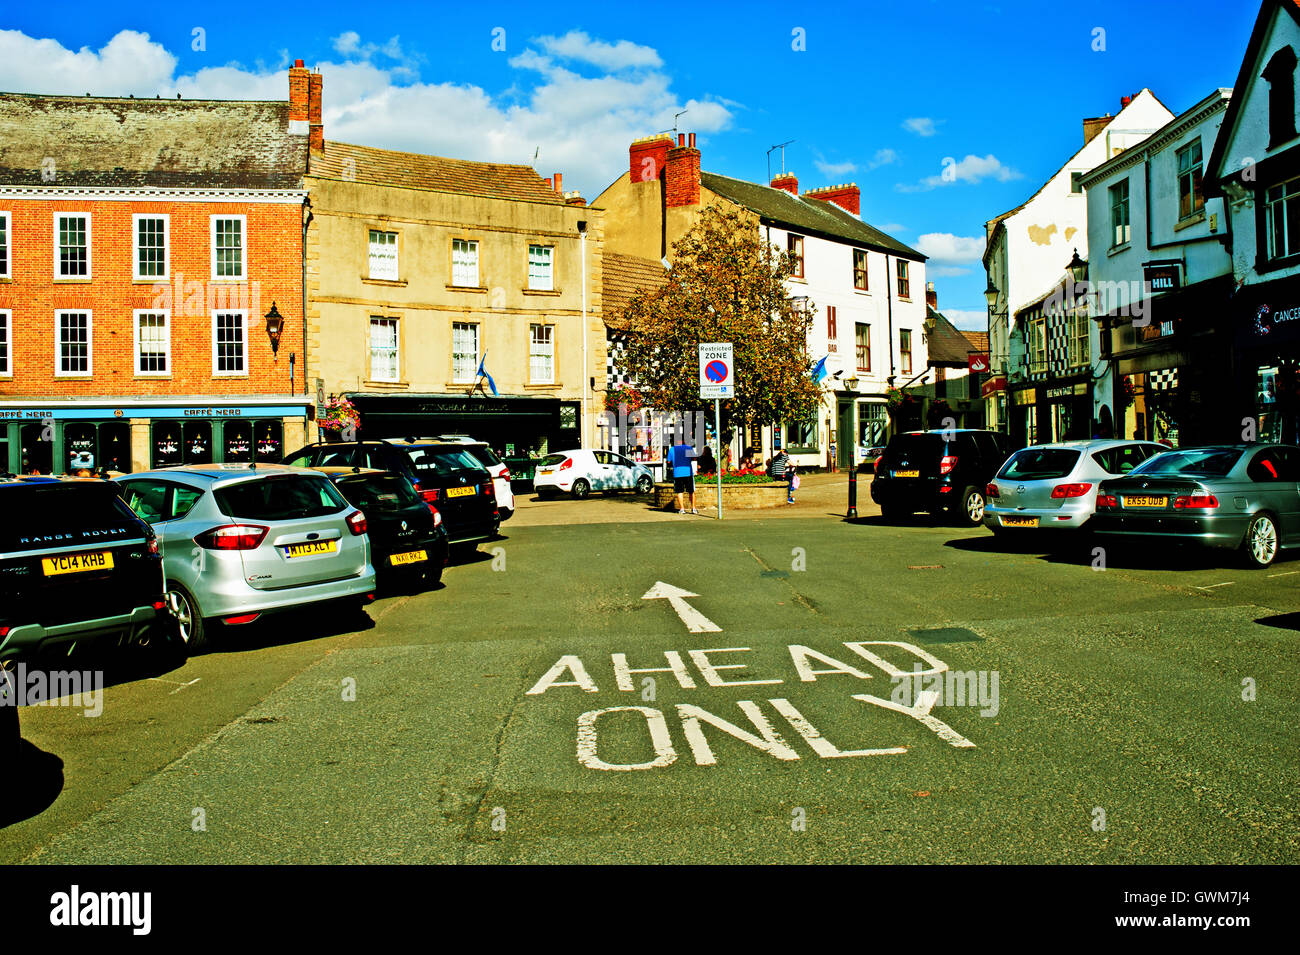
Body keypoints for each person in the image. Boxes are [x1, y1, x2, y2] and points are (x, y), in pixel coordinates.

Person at [669, 440, 698, 515]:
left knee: (679, 491)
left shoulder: (672, 449)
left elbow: (669, 461)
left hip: (677, 473)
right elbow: (694, 458)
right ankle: (694, 508)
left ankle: (682, 509)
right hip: (688, 472)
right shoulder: (689, 448)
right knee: (691, 491)